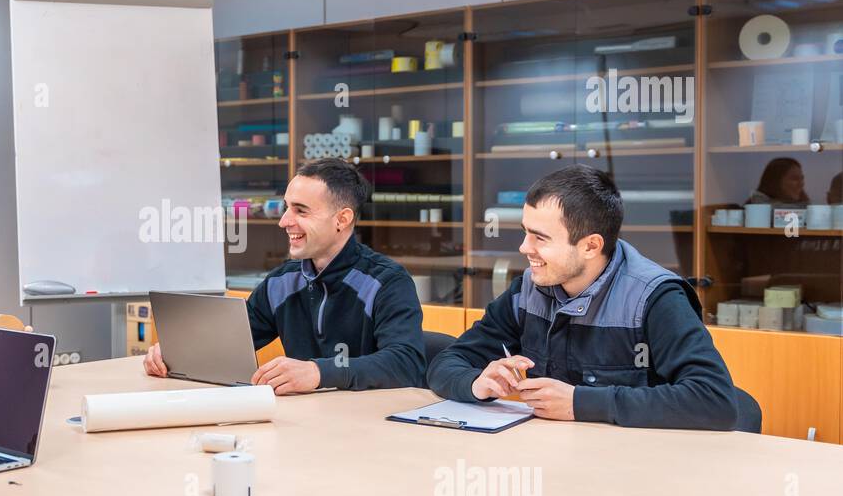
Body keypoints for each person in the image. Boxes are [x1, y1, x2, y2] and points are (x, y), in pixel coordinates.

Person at [428, 165, 738, 429]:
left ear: (590, 246)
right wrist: (476, 383)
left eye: (540, 238)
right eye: (525, 232)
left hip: (638, 471)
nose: (524, 248)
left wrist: (581, 403)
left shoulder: (656, 298)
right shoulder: (526, 292)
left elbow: (714, 399)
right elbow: (446, 363)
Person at [145, 157, 426, 392]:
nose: (284, 221)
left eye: (300, 211)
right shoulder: (281, 282)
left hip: (368, 430)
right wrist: (175, 351)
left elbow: (406, 363)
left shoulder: (388, 282)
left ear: (342, 219)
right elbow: (231, 341)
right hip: (301, 424)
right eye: (286, 208)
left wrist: (318, 372)